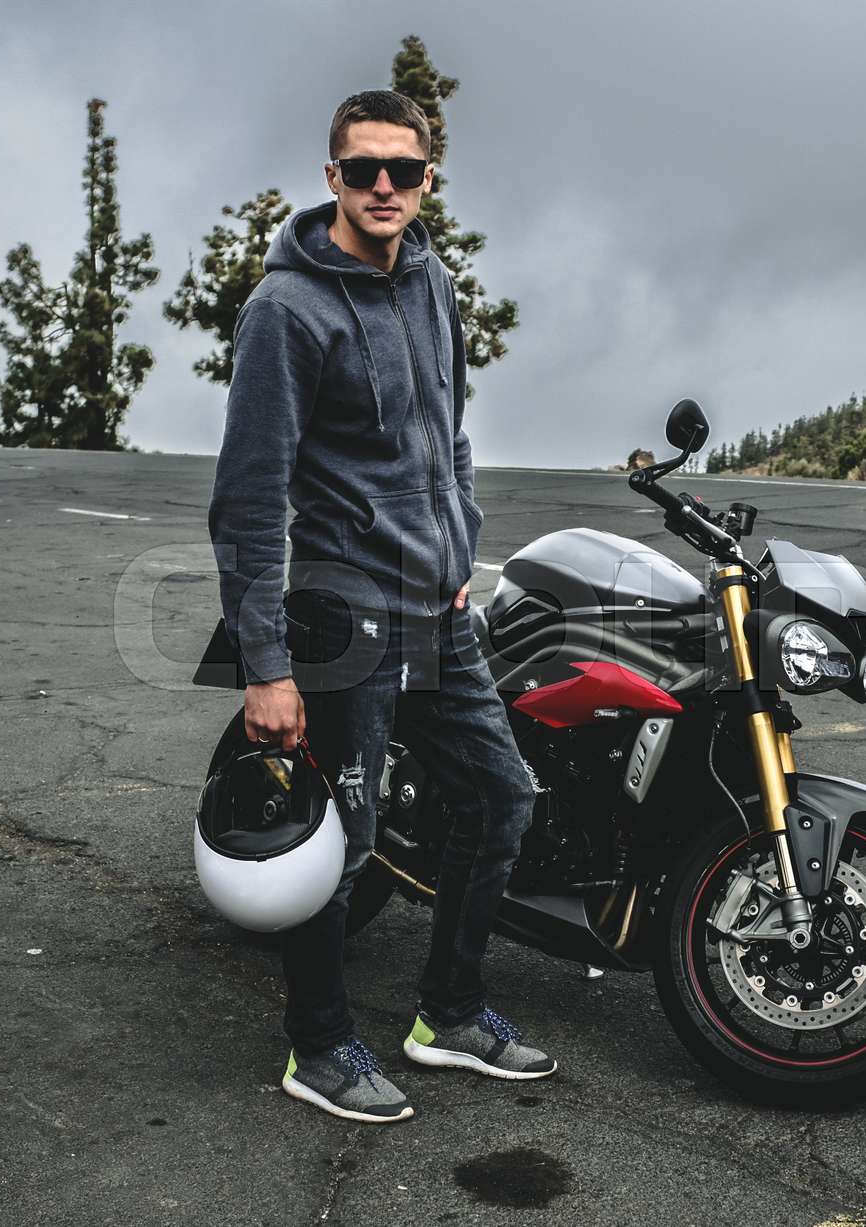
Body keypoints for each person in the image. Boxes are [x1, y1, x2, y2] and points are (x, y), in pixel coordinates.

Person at [208, 89, 554, 1125]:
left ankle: (446, 1015)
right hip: (339, 608)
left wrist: (464, 540)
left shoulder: (432, 280)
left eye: (404, 170)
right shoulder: (286, 311)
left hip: (434, 604)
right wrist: (265, 664)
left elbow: (447, 424)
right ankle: (316, 1047)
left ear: (428, 178)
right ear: (332, 179)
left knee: (501, 798)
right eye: (365, 170)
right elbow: (248, 495)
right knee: (343, 843)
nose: (385, 188)